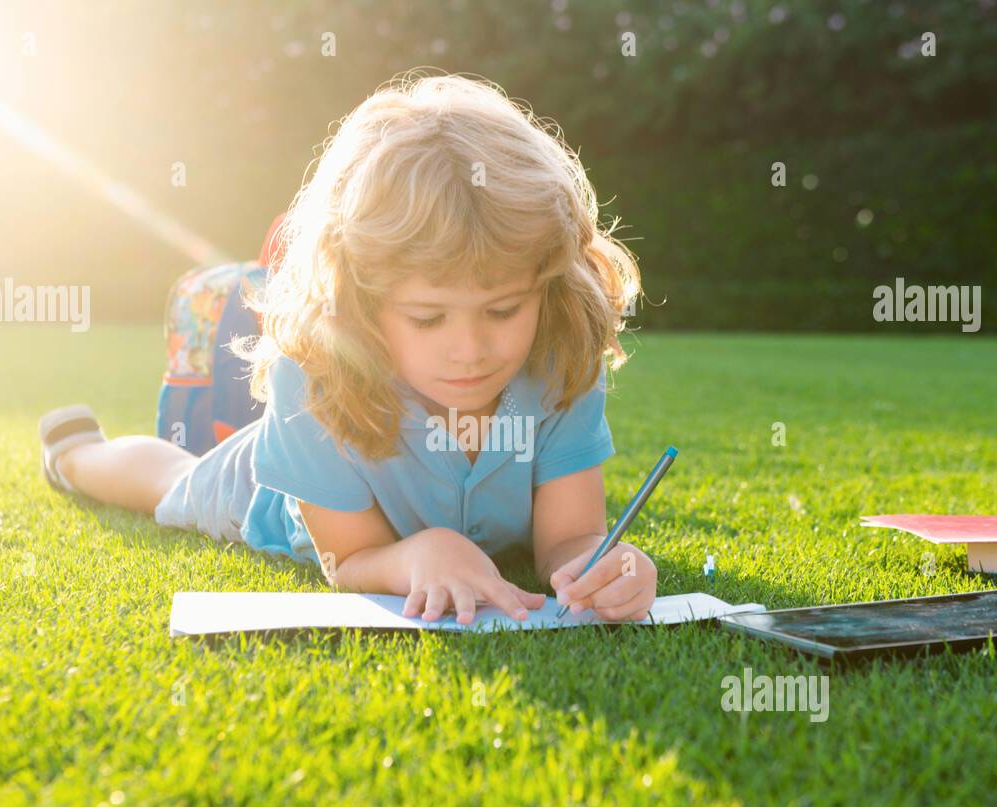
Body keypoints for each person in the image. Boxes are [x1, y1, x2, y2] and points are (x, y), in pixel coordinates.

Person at [37, 71, 655, 625]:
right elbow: (349, 557)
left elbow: (570, 538)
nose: (470, 350)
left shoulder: (561, 358)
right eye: (427, 317)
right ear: (358, 298)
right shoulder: (312, 381)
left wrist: (605, 565)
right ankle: (75, 455)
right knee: (175, 480)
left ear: (547, 283)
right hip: (280, 502)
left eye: (503, 310)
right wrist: (417, 553)